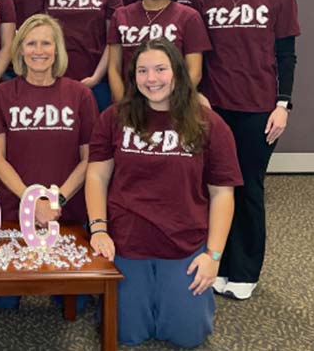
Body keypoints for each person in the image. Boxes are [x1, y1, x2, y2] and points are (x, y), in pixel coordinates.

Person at [85, 39, 239, 347]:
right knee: (126, 334)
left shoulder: (208, 123)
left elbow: (222, 193)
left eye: (160, 69)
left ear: (178, 73)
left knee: (187, 337)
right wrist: (99, 229)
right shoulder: (114, 117)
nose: (151, 79)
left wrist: (213, 256)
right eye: (142, 71)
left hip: (184, 242)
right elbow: (97, 175)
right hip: (127, 241)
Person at [190, 0, 300, 300]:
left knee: (249, 187)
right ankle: (218, 264)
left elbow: (286, 56)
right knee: (215, 187)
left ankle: (245, 271)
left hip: (259, 109)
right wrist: (198, 95)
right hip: (215, 108)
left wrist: (283, 105)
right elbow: (197, 53)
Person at [0, 15, 98, 309]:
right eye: (31, 43)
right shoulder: (1, 95)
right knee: (3, 305)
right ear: (20, 49)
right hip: (14, 210)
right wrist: (32, 202)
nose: (38, 51)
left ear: (57, 50)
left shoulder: (80, 95)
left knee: (74, 304)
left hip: (66, 212)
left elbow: (89, 159)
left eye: (46, 43)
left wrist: (55, 201)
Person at [108, 0, 210, 102]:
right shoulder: (121, 15)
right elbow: (114, 68)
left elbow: (194, 71)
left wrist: (170, 104)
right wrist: (124, 104)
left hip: (175, 104)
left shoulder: (189, 17)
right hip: (131, 104)